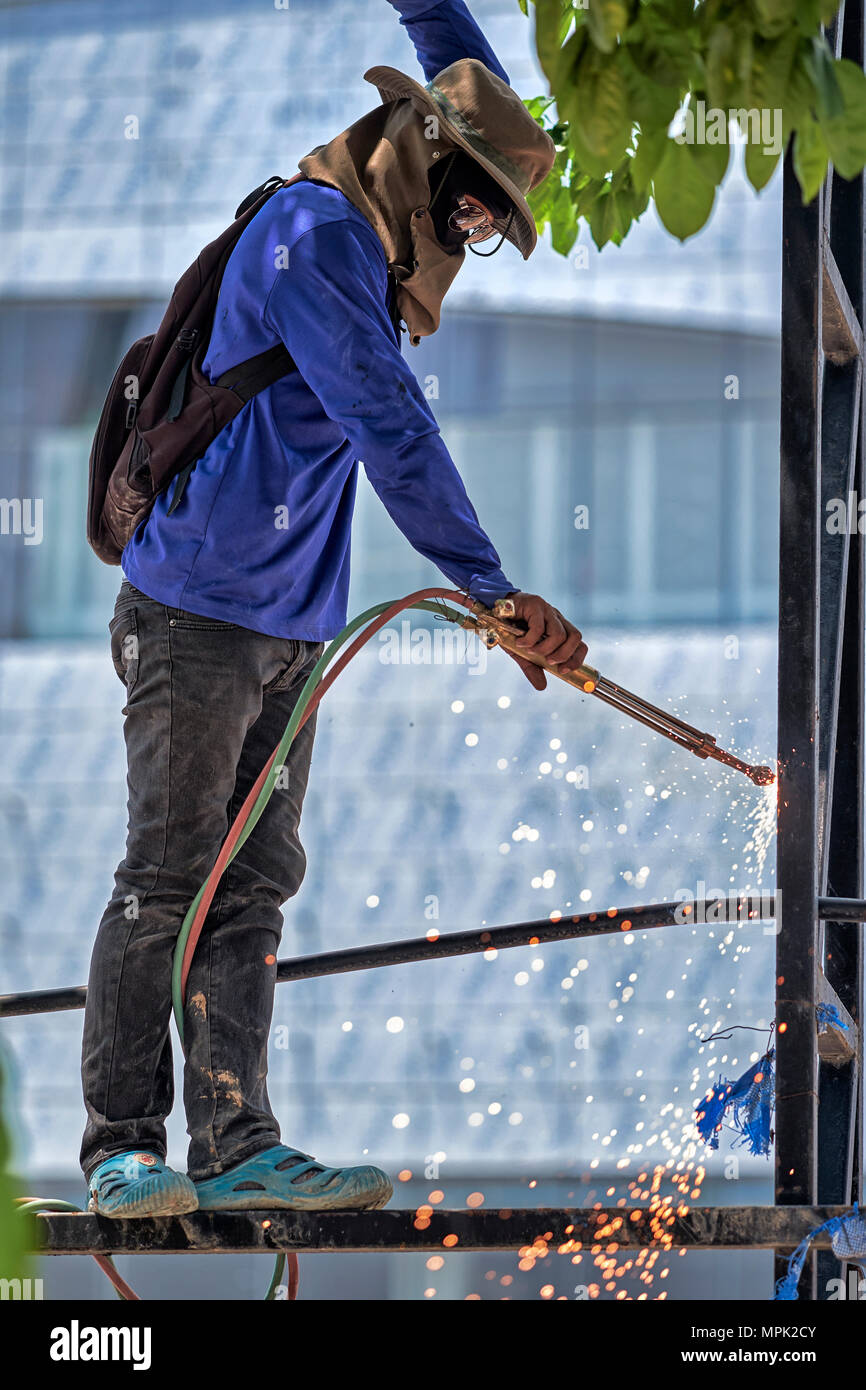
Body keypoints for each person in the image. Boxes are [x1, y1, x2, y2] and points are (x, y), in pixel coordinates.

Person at [81, 0, 589, 1218]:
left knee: (252, 882)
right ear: (420, 164)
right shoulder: (315, 242)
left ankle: (238, 1141)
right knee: (169, 877)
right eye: (472, 206)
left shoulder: (377, 225)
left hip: (290, 627)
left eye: (489, 222)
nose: (472, 234)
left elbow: (450, 60)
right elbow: (393, 434)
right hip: (197, 614)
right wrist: (493, 589)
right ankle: (121, 1144)